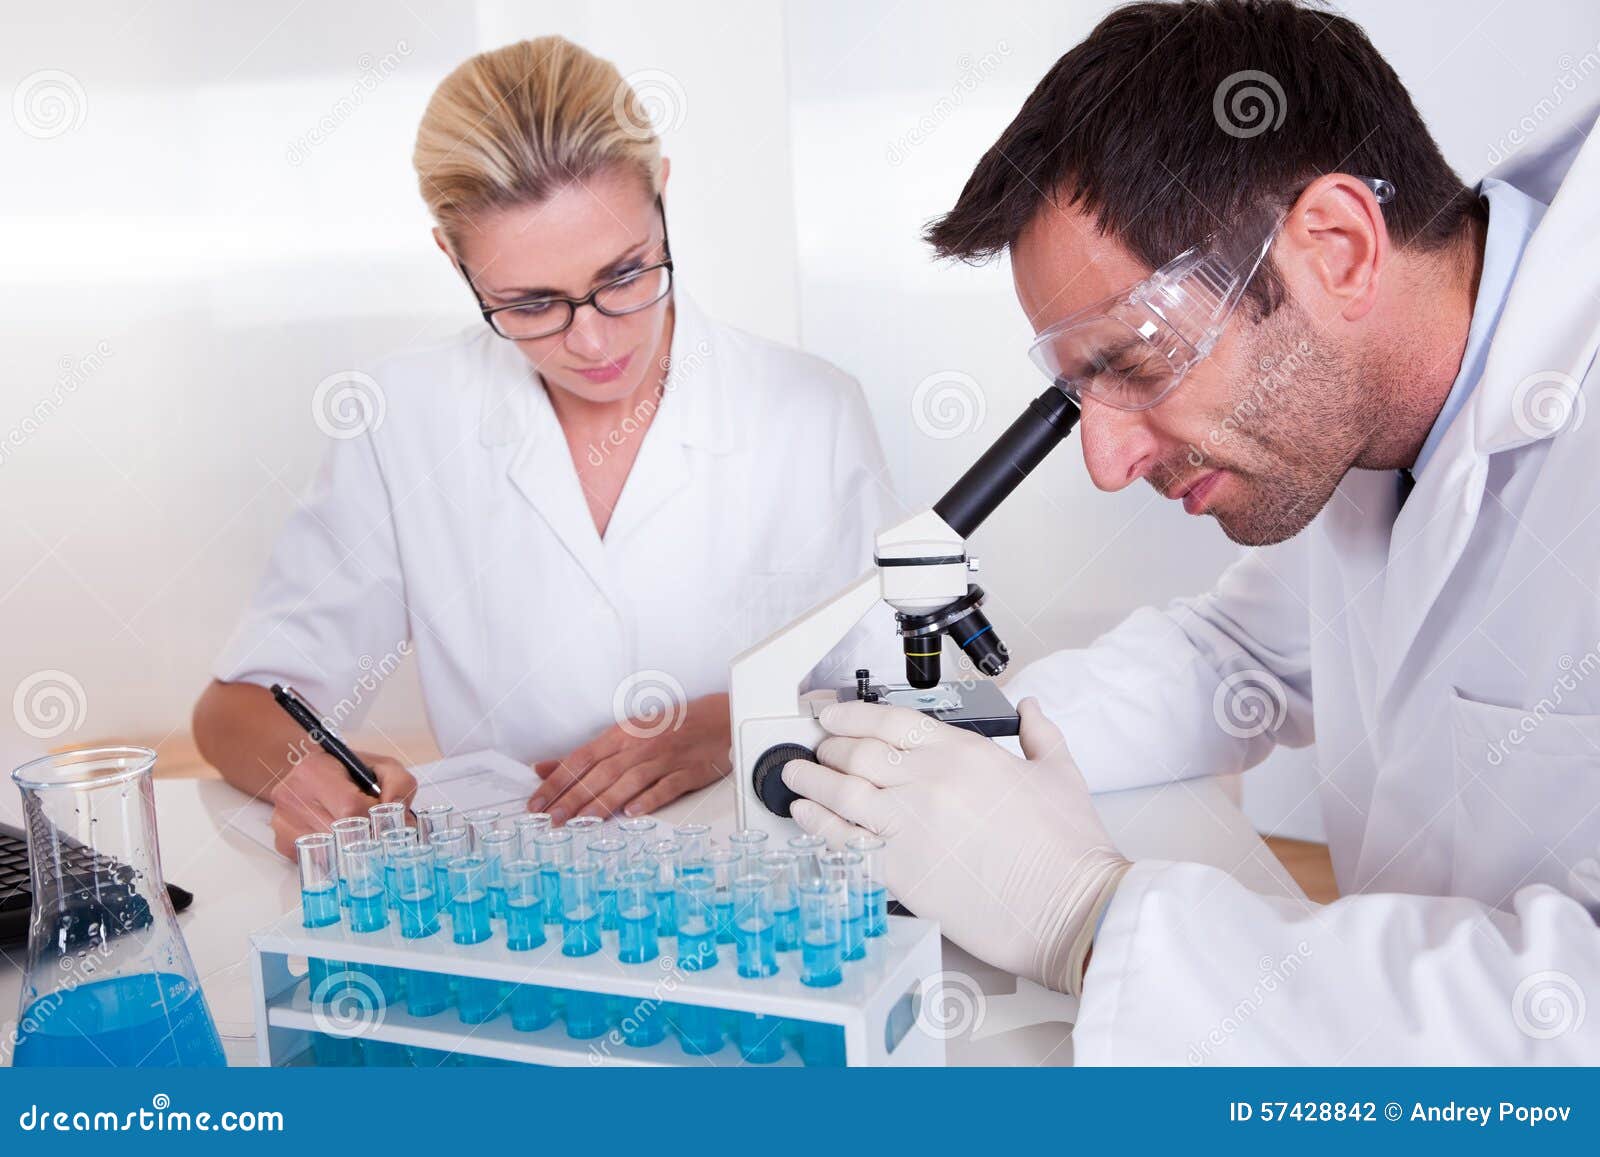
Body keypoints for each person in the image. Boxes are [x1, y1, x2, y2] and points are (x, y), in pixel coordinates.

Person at [784, 0, 1600, 1062]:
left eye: (1133, 361)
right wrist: (957, 748)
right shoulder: (1367, 420)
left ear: (1339, 248)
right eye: (1080, 393)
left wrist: (1082, 914)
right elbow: (1243, 653)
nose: (1108, 460)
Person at [194, 36, 896, 857]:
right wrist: (310, 779)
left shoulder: (813, 411)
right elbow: (233, 711)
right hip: (520, 905)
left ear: (662, 195)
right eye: (531, 304)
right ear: (453, 260)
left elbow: (909, 702)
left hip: (765, 898)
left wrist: (731, 725)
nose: (595, 342)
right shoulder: (403, 419)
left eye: (626, 273)